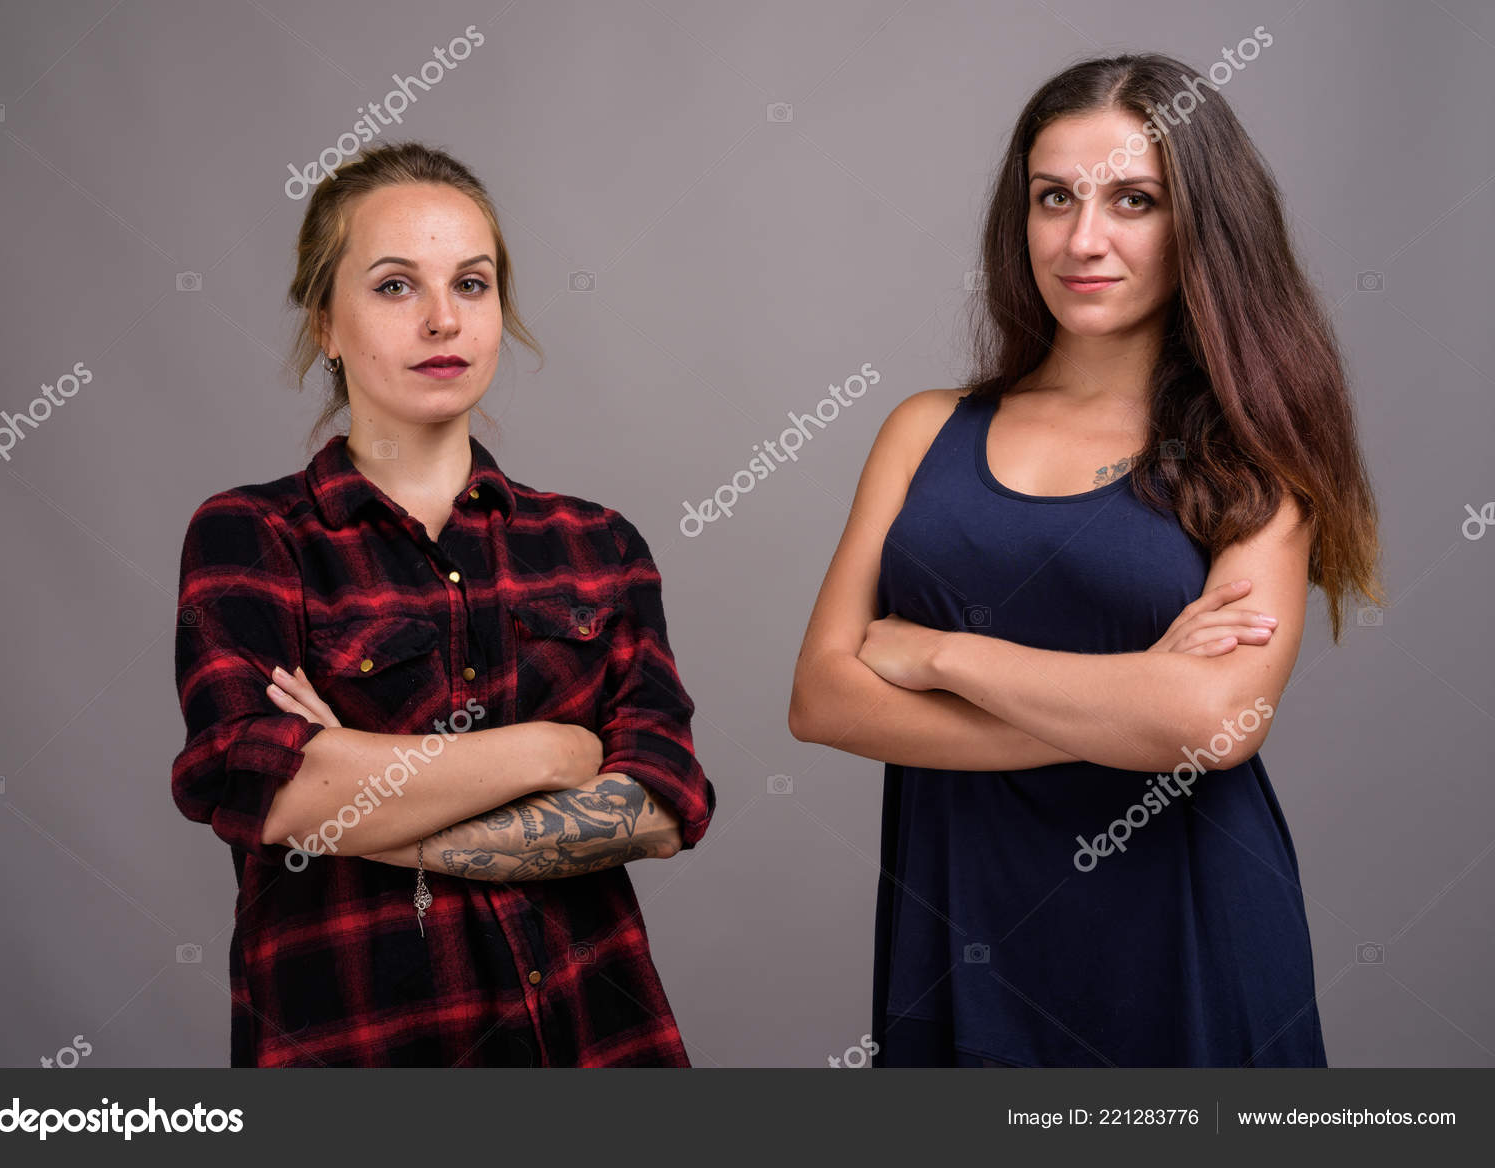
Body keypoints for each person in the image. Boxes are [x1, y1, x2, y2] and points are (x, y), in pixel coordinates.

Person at [789, 53, 1384, 1067]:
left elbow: (1215, 721)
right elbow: (822, 698)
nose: (1081, 238)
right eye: (1053, 197)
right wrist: (1129, 703)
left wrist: (939, 657)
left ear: (1200, 222)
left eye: (1132, 200)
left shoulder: (1253, 455)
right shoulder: (922, 430)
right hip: (965, 928)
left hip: (1183, 933)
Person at [171, 142, 715, 1067]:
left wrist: (358, 786)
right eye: (393, 286)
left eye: (471, 284)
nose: (440, 320)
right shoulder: (254, 537)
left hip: (600, 1048)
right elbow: (263, 788)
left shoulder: (599, 546)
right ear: (325, 325)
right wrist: (555, 749)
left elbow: (662, 808)